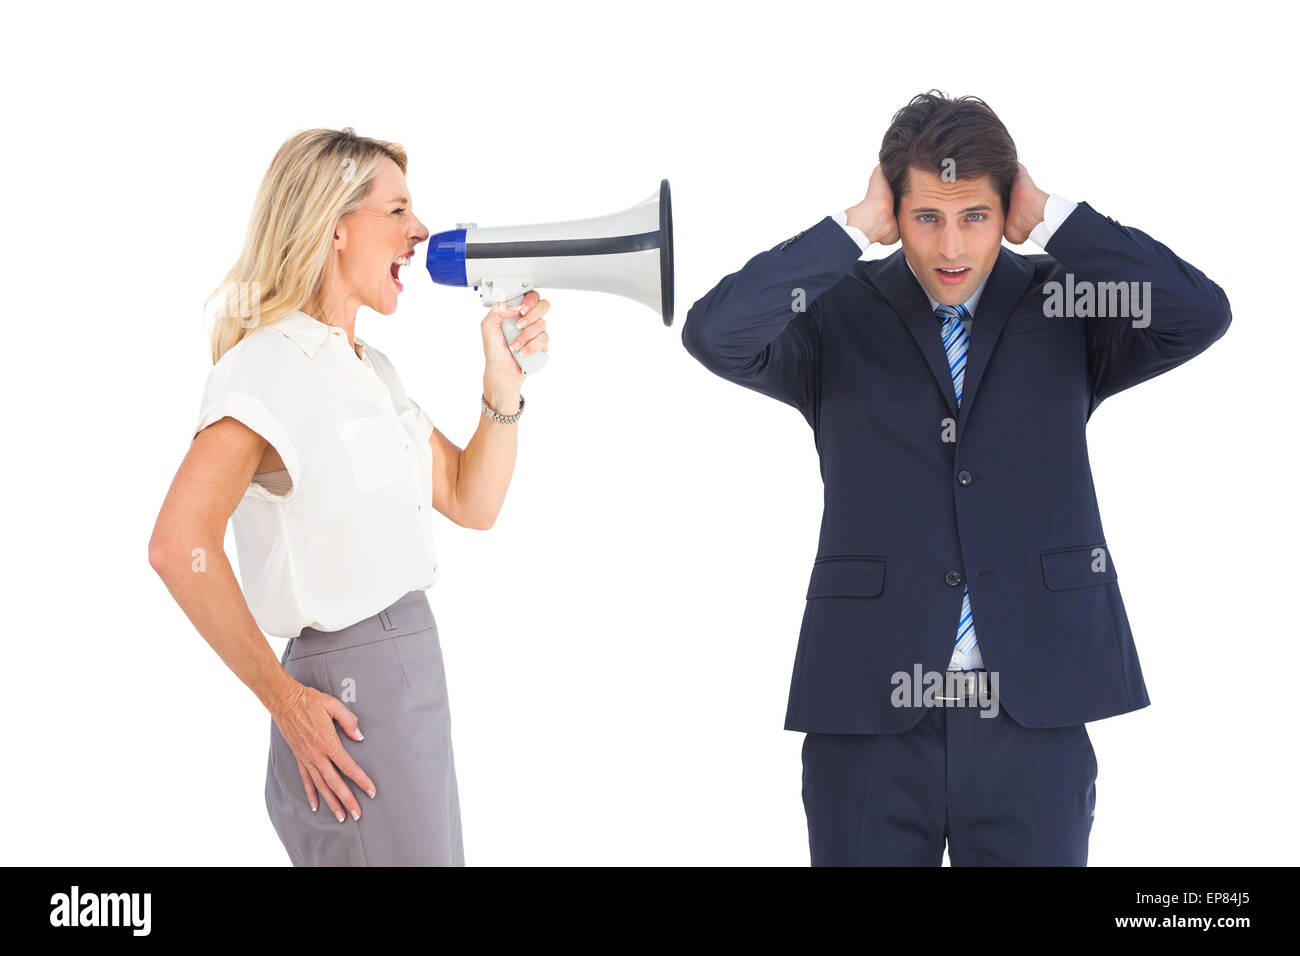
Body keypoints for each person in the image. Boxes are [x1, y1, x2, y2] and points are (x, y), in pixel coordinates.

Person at [680, 91, 1231, 866]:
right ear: (892, 211)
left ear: (1005, 209)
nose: (950, 246)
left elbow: (1198, 313)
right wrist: (847, 232)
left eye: (975, 215)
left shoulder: (1068, 304)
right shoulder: (836, 313)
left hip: (1031, 713)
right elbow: (714, 333)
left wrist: (1052, 216)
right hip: (869, 717)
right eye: (925, 216)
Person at [147, 127, 550, 866]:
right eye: (397, 210)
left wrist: (503, 385)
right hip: (356, 685)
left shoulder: (373, 371)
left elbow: (470, 499)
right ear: (336, 227)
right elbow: (180, 545)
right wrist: (283, 698)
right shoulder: (265, 365)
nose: (420, 231)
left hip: (408, 670)